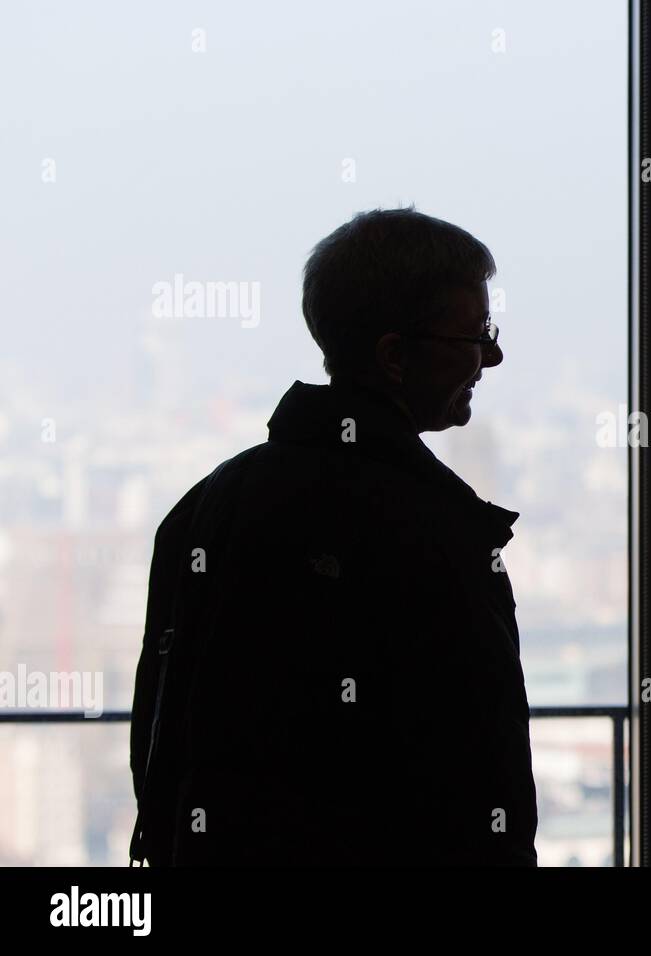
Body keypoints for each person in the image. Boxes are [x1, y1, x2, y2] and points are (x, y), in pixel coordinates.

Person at [129, 208, 537, 865]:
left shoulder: (206, 508)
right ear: (395, 357)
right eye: (474, 333)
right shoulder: (442, 529)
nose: (490, 354)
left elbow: (161, 734)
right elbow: (481, 778)